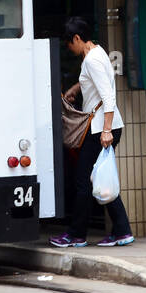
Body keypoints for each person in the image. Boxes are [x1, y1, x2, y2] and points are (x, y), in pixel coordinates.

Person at [50, 17, 134, 248]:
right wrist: (77, 89)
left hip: (101, 129)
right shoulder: (98, 53)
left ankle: (76, 235)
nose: (69, 48)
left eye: (69, 43)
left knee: (83, 181)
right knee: (99, 178)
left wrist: (106, 131)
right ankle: (122, 231)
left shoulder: (91, 61)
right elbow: (100, 82)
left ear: (77, 38)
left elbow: (108, 96)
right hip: (106, 127)